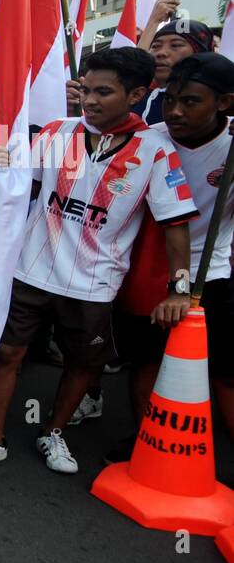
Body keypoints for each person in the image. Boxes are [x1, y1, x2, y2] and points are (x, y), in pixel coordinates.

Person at [0, 47, 197, 475]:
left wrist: (180, 287)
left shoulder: (157, 150)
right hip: (31, 269)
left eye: (103, 91)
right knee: (8, 350)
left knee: (83, 363)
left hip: (94, 282)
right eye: (86, 89)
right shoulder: (55, 132)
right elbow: (15, 172)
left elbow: (175, 224)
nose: (89, 100)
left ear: (138, 93)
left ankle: (53, 432)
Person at [93, 53, 234, 455]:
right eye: (170, 99)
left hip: (214, 268)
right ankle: (146, 444)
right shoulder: (149, 139)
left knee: (225, 372)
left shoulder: (231, 145)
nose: (174, 111)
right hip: (152, 269)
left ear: (223, 103)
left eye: (190, 102)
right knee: (147, 359)